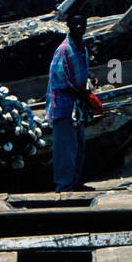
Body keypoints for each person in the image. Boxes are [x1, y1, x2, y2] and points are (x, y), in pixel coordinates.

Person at [47, 14, 93, 192]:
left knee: (79, 148)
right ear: (69, 25)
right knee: (65, 152)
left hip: (76, 108)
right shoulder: (64, 50)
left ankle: (75, 184)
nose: (79, 27)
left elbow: (79, 73)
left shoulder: (81, 47)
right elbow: (59, 81)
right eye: (75, 24)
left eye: (82, 23)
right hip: (64, 108)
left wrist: (90, 80)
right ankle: (64, 189)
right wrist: (81, 95)